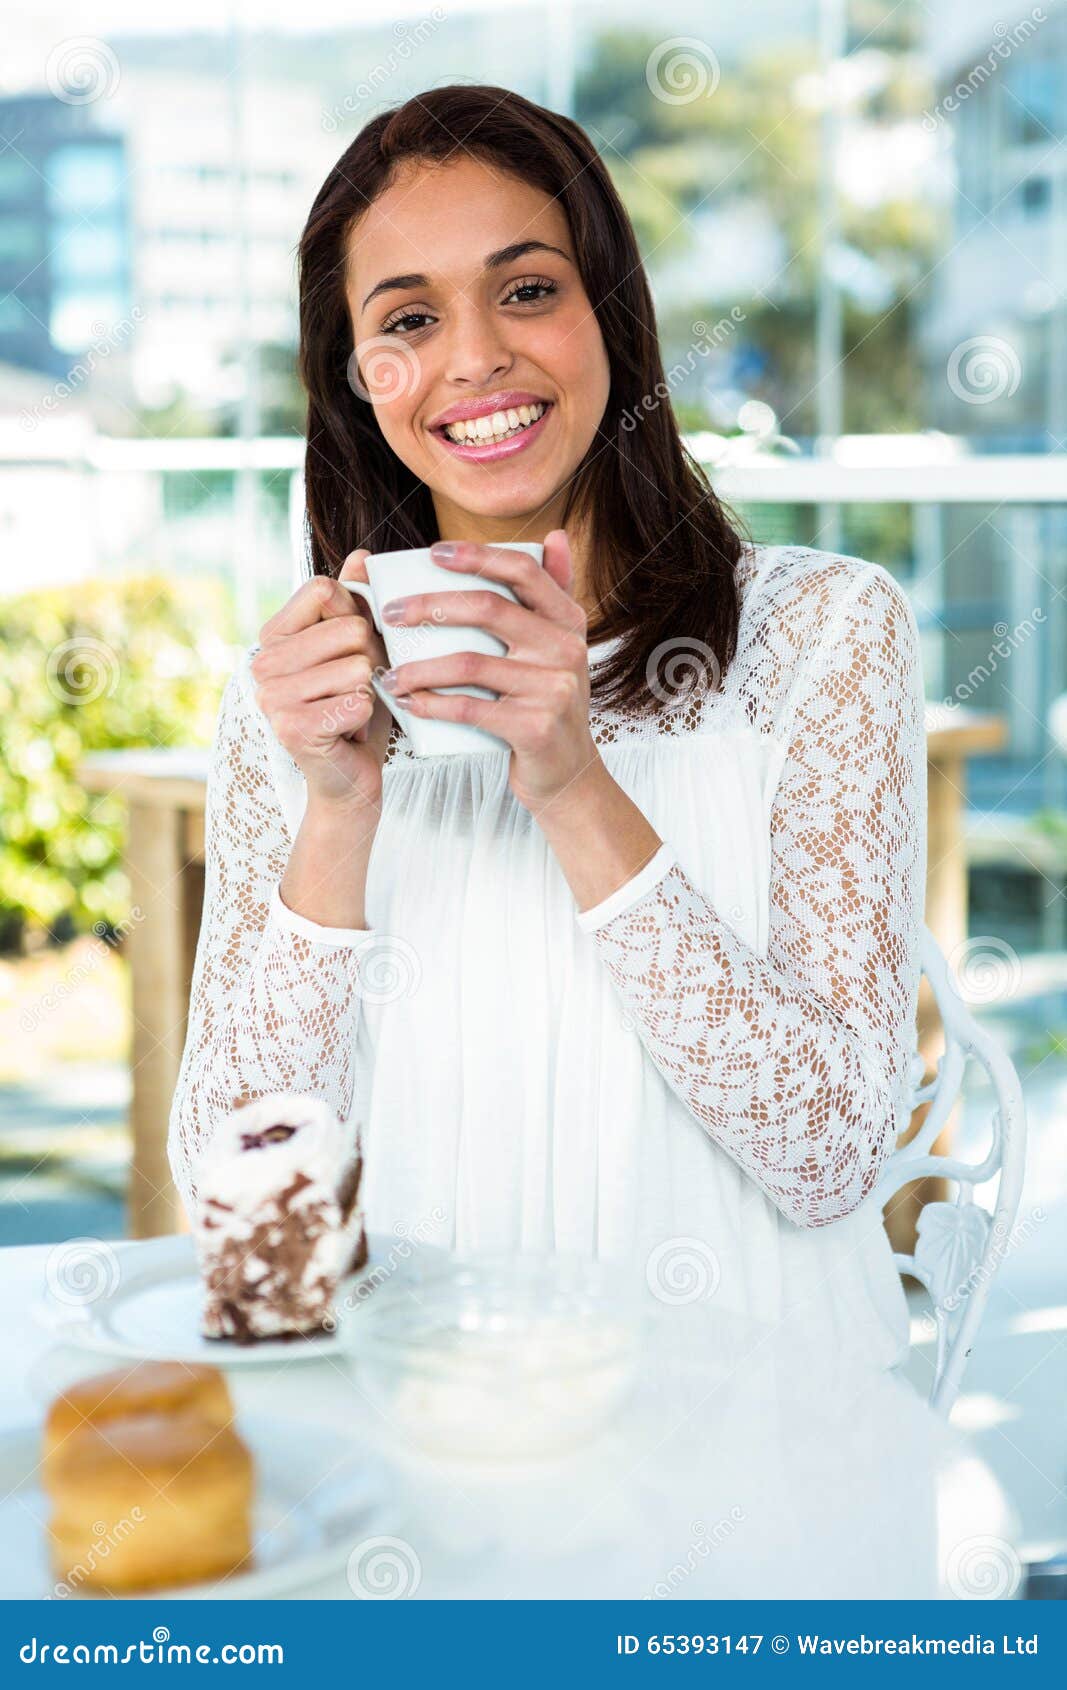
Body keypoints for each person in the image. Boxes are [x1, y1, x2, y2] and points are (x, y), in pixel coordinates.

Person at [168, 84, 927, 1367]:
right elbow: (242, 1221)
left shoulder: (821, 636)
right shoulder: (296, 709)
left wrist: (574, 785)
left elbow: (831, 1156)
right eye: (408, 318)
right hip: (424, 1434)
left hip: (758, 1429)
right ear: (358, 379)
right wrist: (338, 813)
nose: (473, 360)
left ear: (609, 320)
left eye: (525, 290)